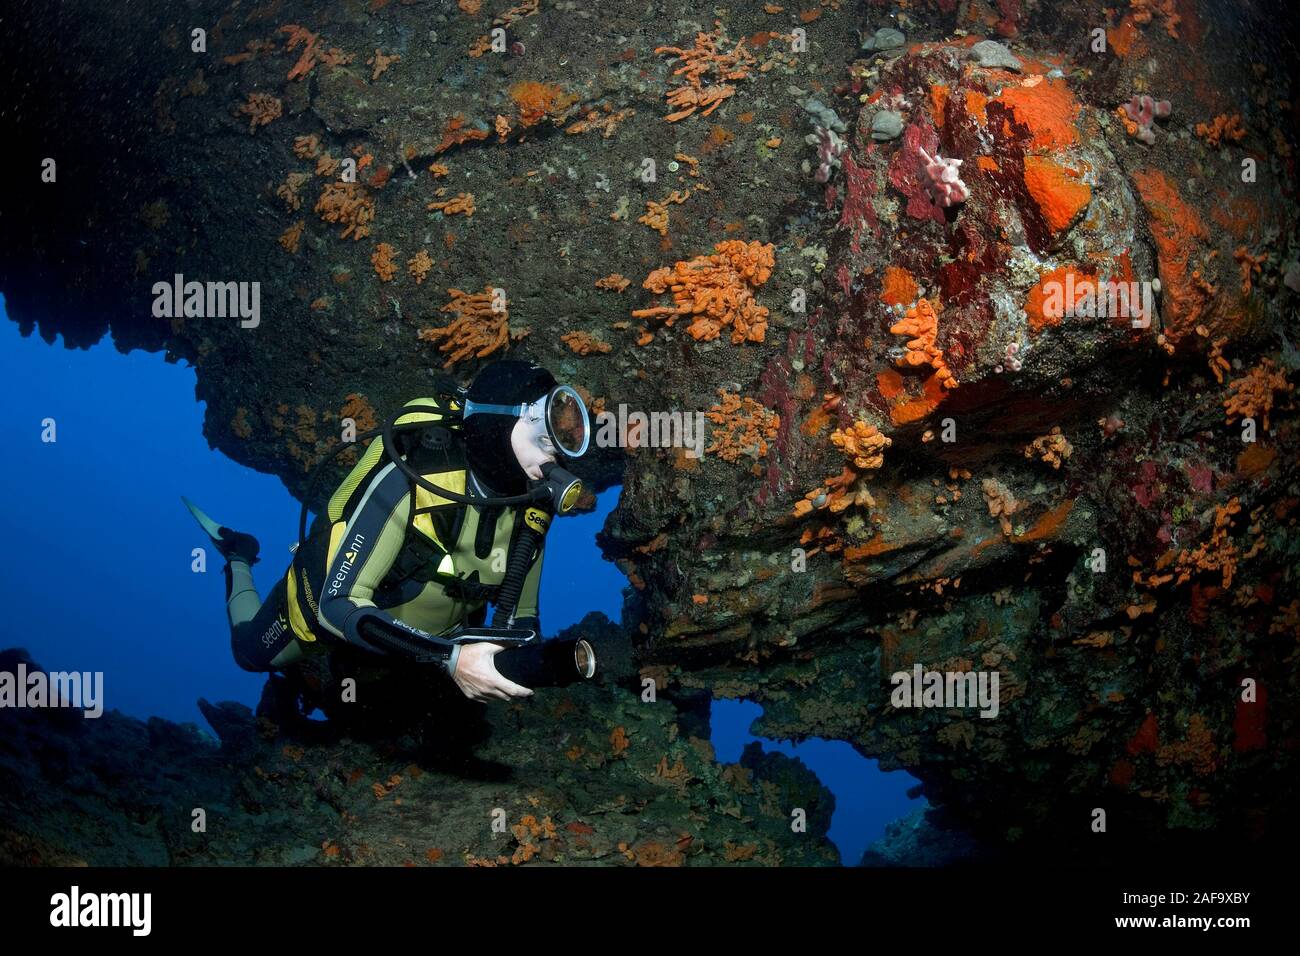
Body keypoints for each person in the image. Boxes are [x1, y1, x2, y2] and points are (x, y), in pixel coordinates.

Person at [184, 360, 599, 704]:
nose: (554, 452)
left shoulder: (534, 507)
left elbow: (521, 615)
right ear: (495, 424)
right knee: (249, 655)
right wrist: (451, 660)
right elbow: (337, 605)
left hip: (423, 644)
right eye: (544, 435)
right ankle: (239, 553)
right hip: (321, 614)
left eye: (563, 439)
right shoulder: (414, 480)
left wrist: (534, 663)